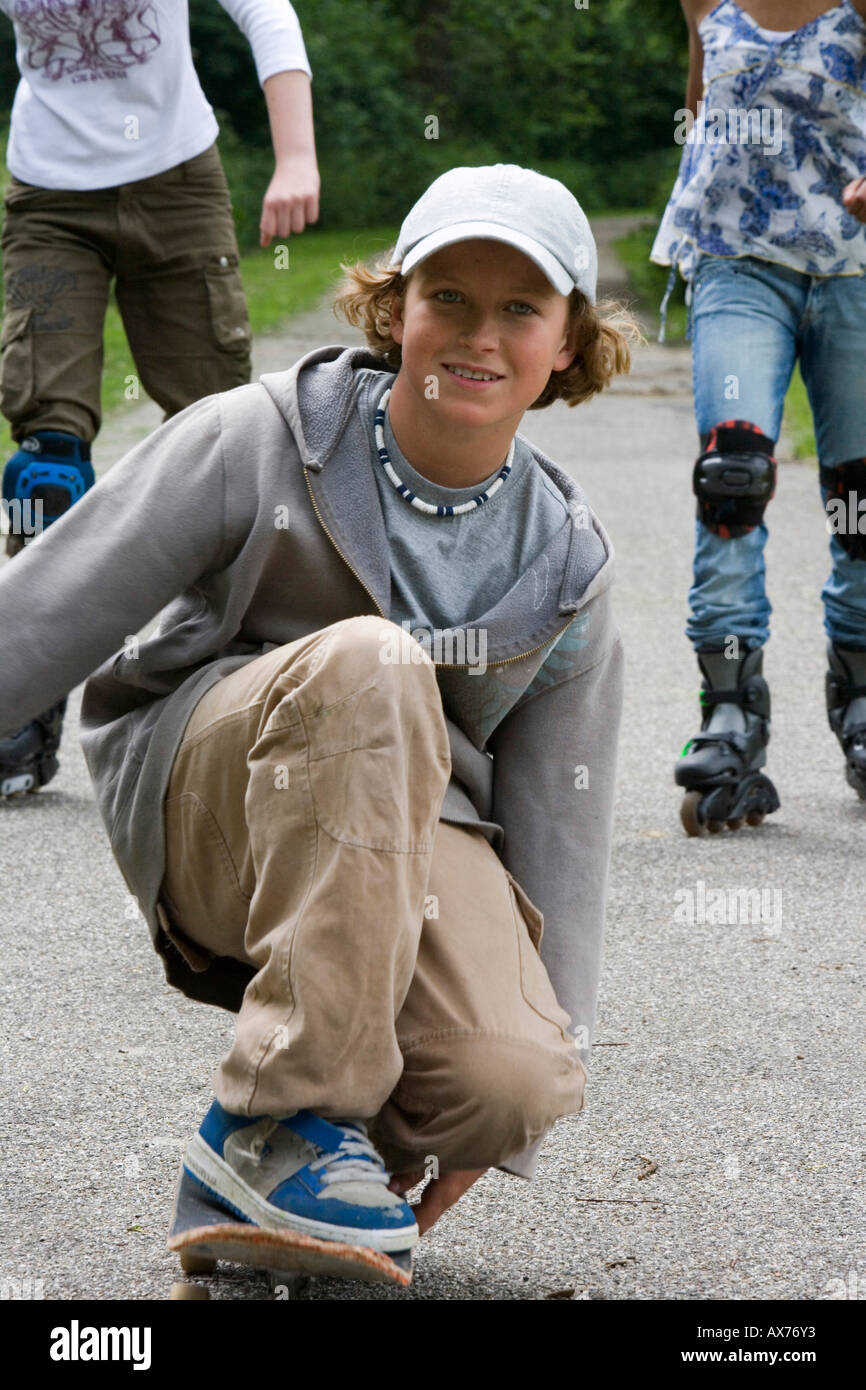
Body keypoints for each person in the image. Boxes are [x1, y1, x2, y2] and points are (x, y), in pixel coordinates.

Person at [0, 164, 635, 1247]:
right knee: (372, 667)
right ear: (395, 311)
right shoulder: (259, 435)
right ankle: (273, 1125)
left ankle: (313, 1176)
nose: (478, 336)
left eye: (519, 309)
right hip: (211, 806)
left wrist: (511, 1104)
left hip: (398, 839)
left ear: (567, 342)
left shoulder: (565, 564)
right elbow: (47, 610)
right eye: (447, 299)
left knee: (512, 1077)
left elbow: (560, 845)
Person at [0, 0, 319, 794]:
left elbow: (267, 12)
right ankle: (22, 699)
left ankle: (231, 681)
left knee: (226, 451)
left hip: (178, 182)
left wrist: (297, 157)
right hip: (49, 196)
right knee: (47, 464)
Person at [652, 0, 866, 834]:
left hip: (854, 267)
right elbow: (702, 106)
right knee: (730, 478)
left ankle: (858, 696)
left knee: (859, 501)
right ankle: (732, 707)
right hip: (737, 263)